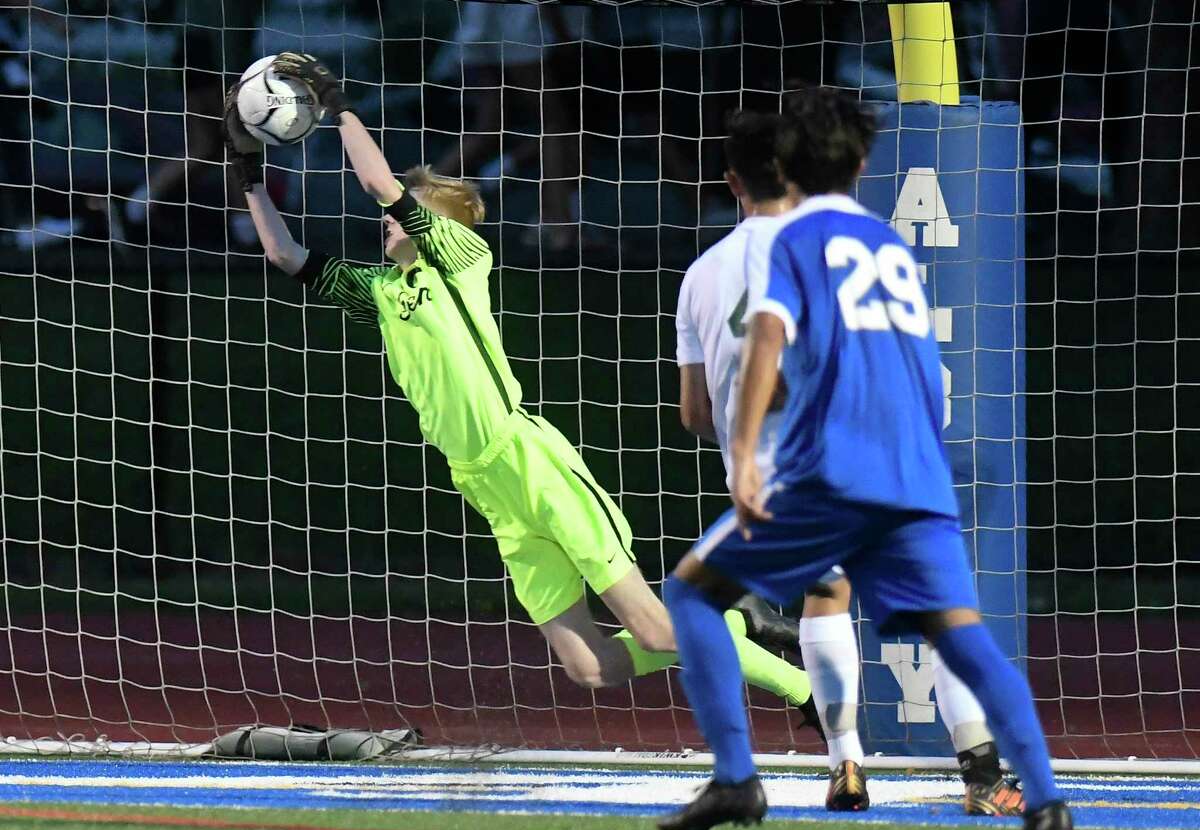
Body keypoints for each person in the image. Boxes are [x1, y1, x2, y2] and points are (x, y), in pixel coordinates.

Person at [219, 53, 818, 720]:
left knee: (653, 630)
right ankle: (731, 622)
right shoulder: (382, 292)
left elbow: (379, 183)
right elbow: (284, 255)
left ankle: (803, 691)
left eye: (409, 210)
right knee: (590, 667)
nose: (388, 219)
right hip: (486, 485)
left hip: (529, 460)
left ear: (441, 225)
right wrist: (245, 169)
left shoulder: (460, 259)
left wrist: (337, 105)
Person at [657, 87, 1071, 830]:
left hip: (830, 475)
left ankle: (743, 775)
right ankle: (1042, 799)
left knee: (690, 592)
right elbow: (922, 367)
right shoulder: (890, 245)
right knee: (963, 637)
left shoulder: (786, 242)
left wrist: (744, 456)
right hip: (916, 476)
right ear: (864, 165)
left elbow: (765, 347)